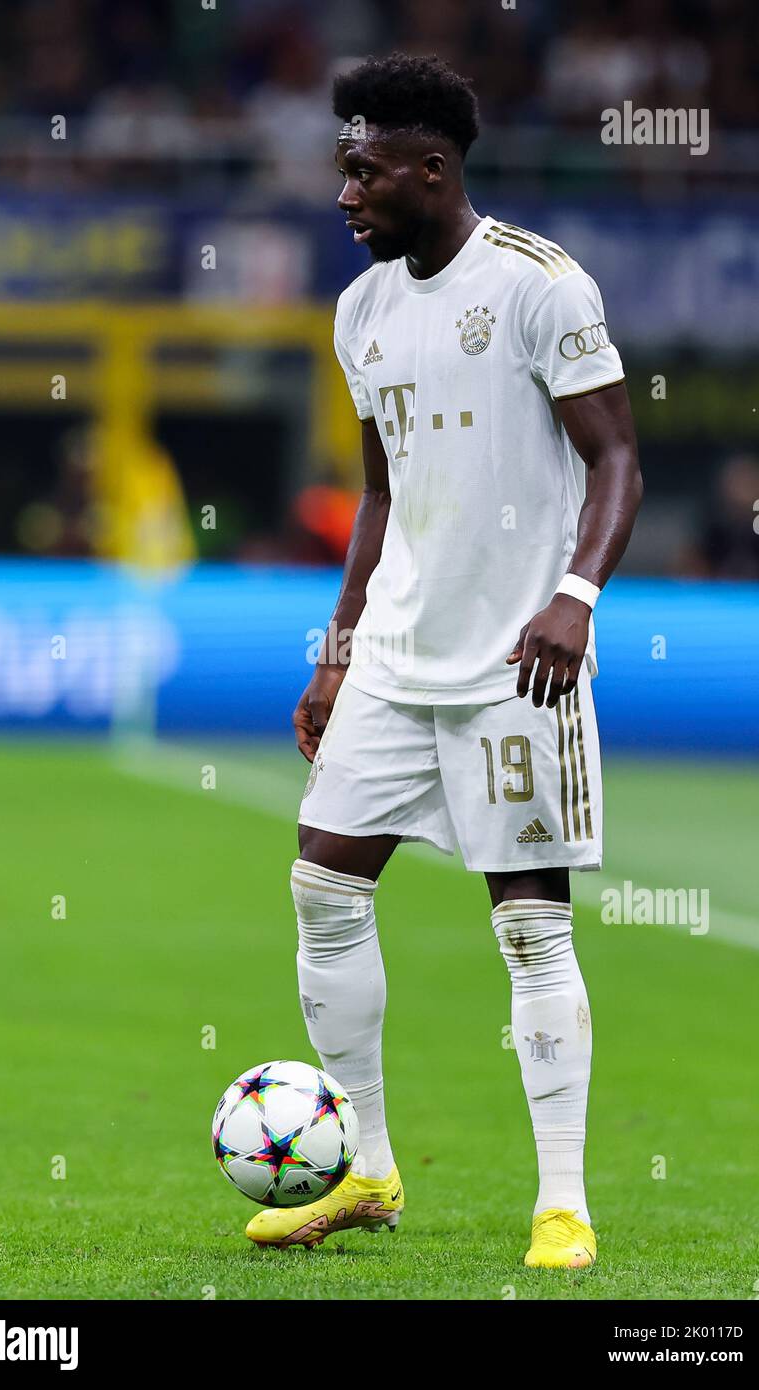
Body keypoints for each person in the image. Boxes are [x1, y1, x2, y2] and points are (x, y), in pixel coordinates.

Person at [245, 53, 642, 1268]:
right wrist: (337, 644)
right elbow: (378, 489)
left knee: (527, 930)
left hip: (516, 666)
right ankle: (365, 1165)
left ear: (432, 168)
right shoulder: (360, 309)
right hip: (396, 660)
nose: (344, 192)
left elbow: (618, 458)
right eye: (340, 169)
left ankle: (560, 1203)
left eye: (363, 171)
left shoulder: (538, 285)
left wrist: (573, 598)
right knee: (322, 889)